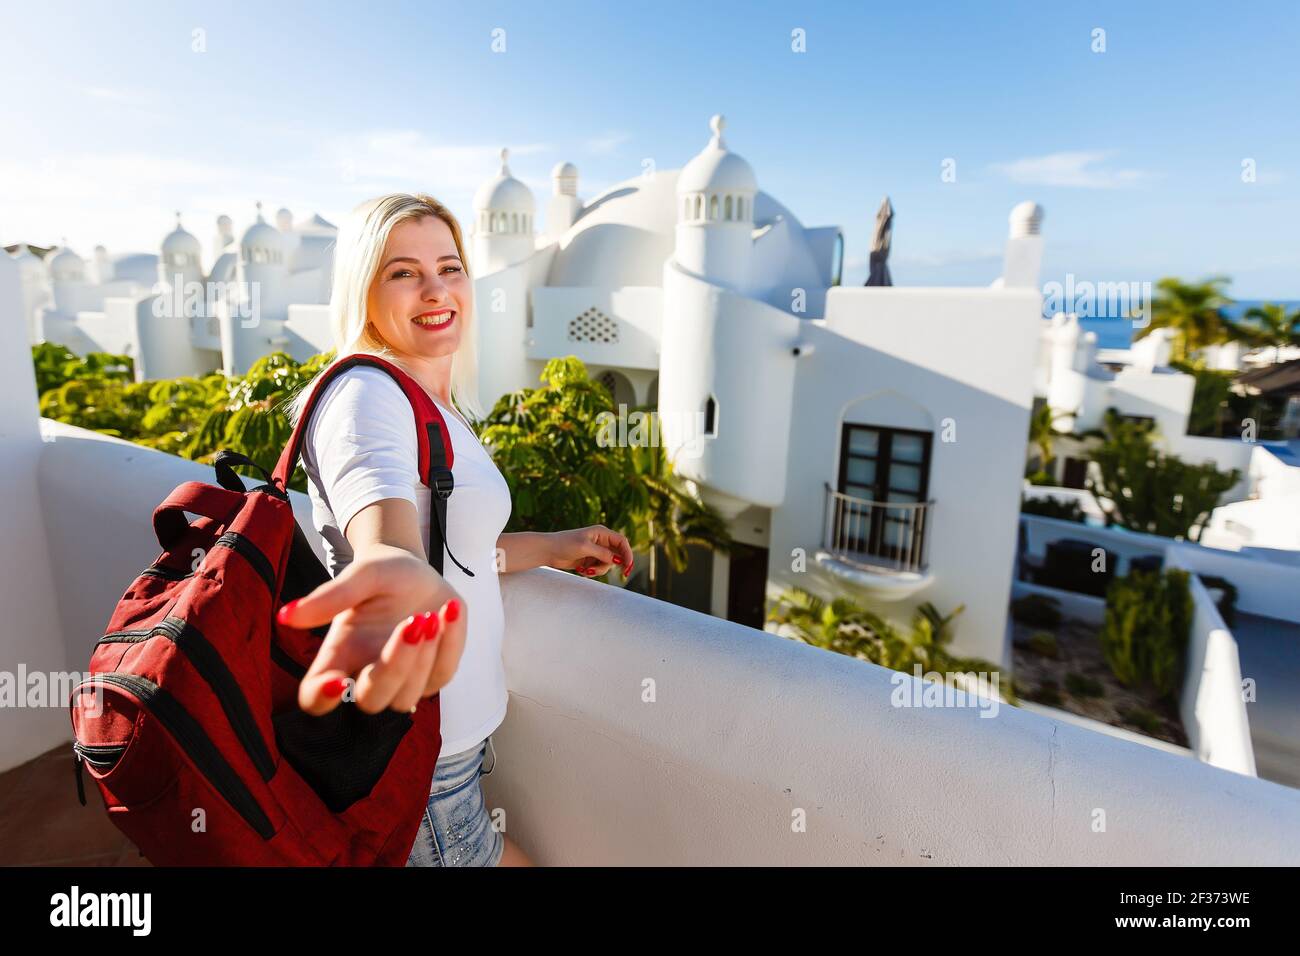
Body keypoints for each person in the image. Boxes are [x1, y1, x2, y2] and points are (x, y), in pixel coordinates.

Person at [275, 193, 634, 867]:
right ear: (365, 288)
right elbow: (387, 542)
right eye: (404, 271)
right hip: (420, 744)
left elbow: (454, 551)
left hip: (449, 738)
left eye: (449, 266)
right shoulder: (367, 397)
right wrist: (394, 571)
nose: (436, 289)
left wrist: (555, 545)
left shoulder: (429, 401)